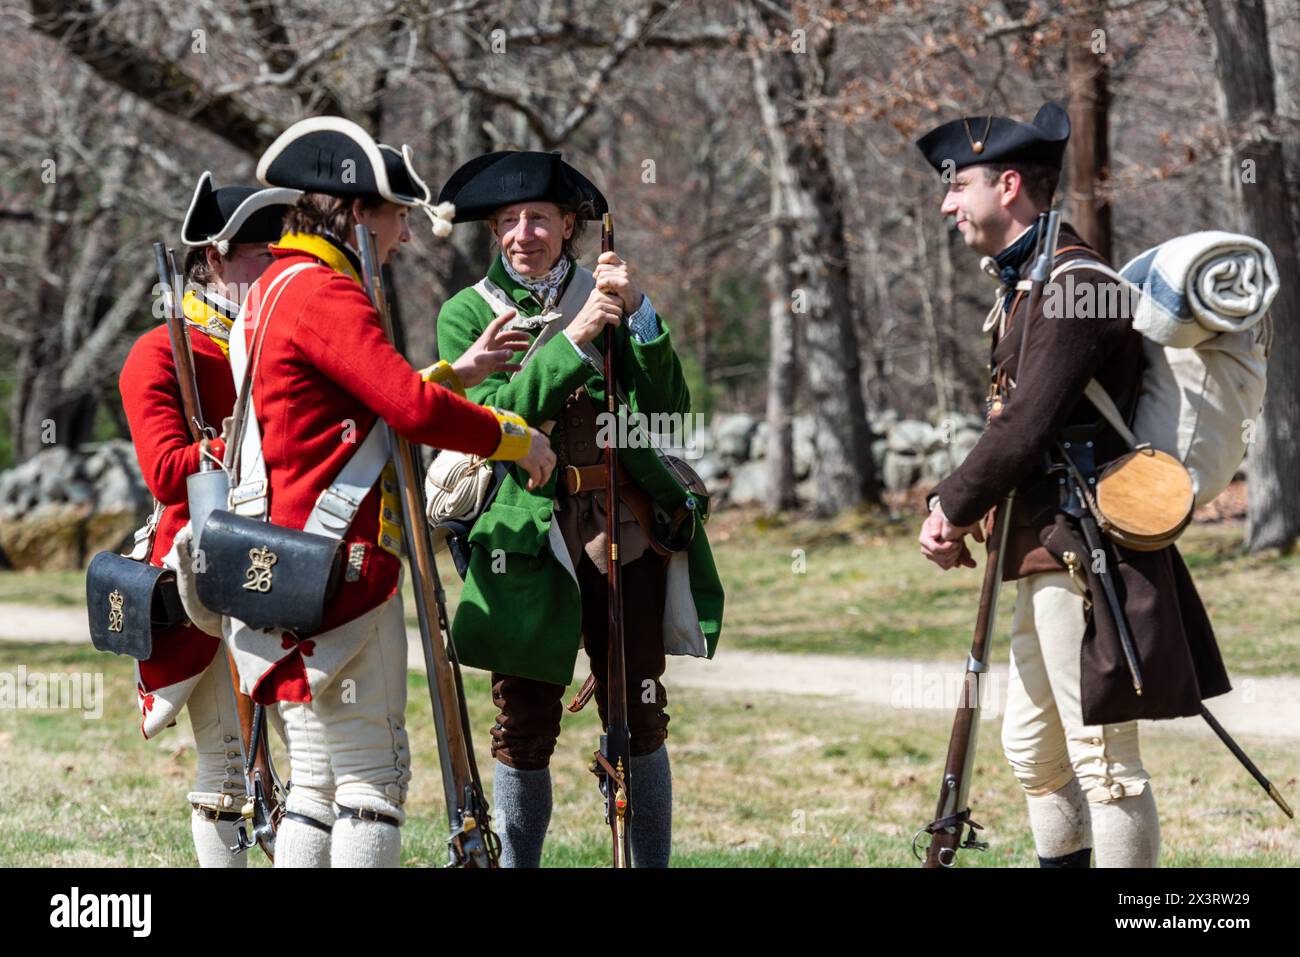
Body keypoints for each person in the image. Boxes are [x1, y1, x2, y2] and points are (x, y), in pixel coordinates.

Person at [229, 116, 554, 868]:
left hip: (280, 561)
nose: (403, 236)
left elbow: (368, 398)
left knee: (314, 783)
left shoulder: (275, 285)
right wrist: (513, 436)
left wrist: (454, 375)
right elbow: (405, 411)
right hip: (339, 562)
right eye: (394, 216)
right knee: (372, 783)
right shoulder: (326, 292)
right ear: (353, 213)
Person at [914, 103, 1230, 867]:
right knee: (1031, 748)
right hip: (1040, 545)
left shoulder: (1073, 281)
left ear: (1010, 184)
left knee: (1104, 765)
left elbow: (1023, 424)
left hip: (1081, 549)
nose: (949, 204)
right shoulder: (1030, 282)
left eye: (959, 187)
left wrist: (950, 506)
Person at [435, 150, 724, 867]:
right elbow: (492, 421)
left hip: (619, 527)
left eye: (538, 218)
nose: (522, 233)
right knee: (523, 724)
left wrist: (638, 312)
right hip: (520, 535)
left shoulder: (608, 294)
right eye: (507, 221)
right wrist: (574, 339)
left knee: (641, 715)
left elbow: (668, 413)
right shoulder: (467, 313)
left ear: (569, 225)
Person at [119, 172, 298, 866]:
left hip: (282, 562)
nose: (275, 270)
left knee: (314, 763)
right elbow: (167, 470)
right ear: (216, 259)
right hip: (201, 573)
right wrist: (236, 444)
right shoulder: (160, 352)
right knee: (228, 769)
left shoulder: (276, 342)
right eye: (263, 256)